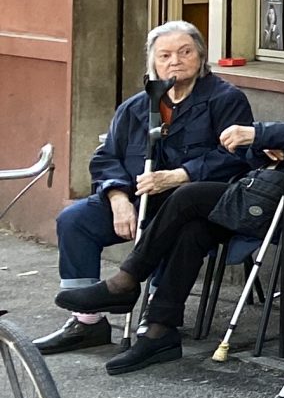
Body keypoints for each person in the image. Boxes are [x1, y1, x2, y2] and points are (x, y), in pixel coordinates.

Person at [53, 36, 284, 373]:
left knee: (187, 196)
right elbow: (257, 153)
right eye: (165, 55)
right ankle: (159, 332)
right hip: (264, 195)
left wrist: (262, 135)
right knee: (193, 230)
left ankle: (125, 282)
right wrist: (264, 145)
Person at [37, 21, 255, 357]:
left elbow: (237, 159)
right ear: (152, 63)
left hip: (197, 206)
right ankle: (87, 322)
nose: (175, 61)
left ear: (200, 55)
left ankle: (155, 319)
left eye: (185, 52)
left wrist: (180, 175)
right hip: (137, 198)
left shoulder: (226, 100)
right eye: (165, 55)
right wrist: (118, 197)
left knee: (182, 225)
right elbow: (106, 157)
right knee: (75, 219)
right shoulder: (138, 106)